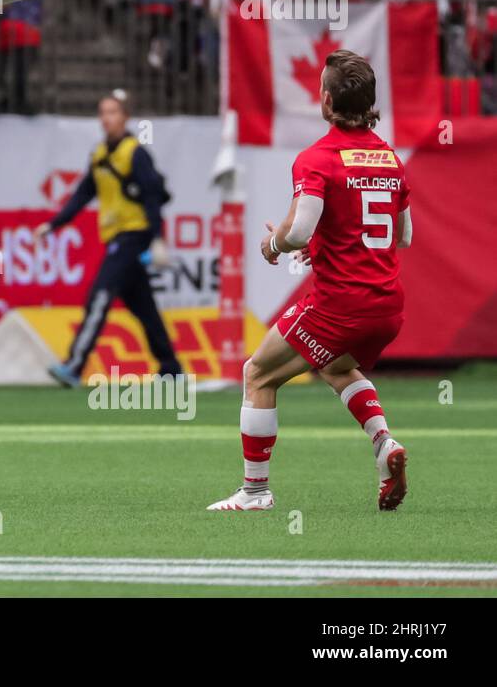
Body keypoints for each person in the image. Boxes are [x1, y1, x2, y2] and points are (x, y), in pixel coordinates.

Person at [208, 50, 412, 512]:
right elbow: (403, 235)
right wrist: (326, 244)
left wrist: (276, 246)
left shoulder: (317, 158)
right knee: (336, 367)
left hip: (341, 304)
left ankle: (256, 492)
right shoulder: (390, 159)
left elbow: (299, 229)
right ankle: (384, 445)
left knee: (257, 373)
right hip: (387, 306)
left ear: (325, 101)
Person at [33, 91, 183, 387]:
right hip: (117, 237)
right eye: (103, 112)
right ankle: (171, 367)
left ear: (125, 116)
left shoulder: (134, 153)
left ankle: (75, 364)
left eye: (113, 112)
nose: (106, 118)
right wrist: (54, 225)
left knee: (99, 295)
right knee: (143, 307)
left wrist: (157, 239)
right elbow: (82, 194)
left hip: (133, 236)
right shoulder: (100, 154)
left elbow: (153, 197)